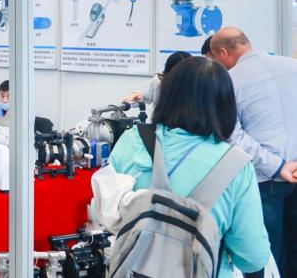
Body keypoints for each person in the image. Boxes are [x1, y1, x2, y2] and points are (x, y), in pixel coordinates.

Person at [108, 56, 272, 277]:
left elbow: (105, 211)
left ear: (167, 96)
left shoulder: (133, 140)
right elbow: (251, 257)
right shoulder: (236, 165)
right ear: (225, 106)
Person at [210, 27, 297, 275]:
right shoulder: (292, 66)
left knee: (266, 259)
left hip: (263, 182)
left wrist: (278, 167)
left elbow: (232, 136)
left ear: (223, 52)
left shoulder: (230, 80)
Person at [124, 51, 191, 106]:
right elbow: (141, 93)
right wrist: (136, 95)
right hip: (162, 118)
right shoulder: (159, 82)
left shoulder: (194, 85)